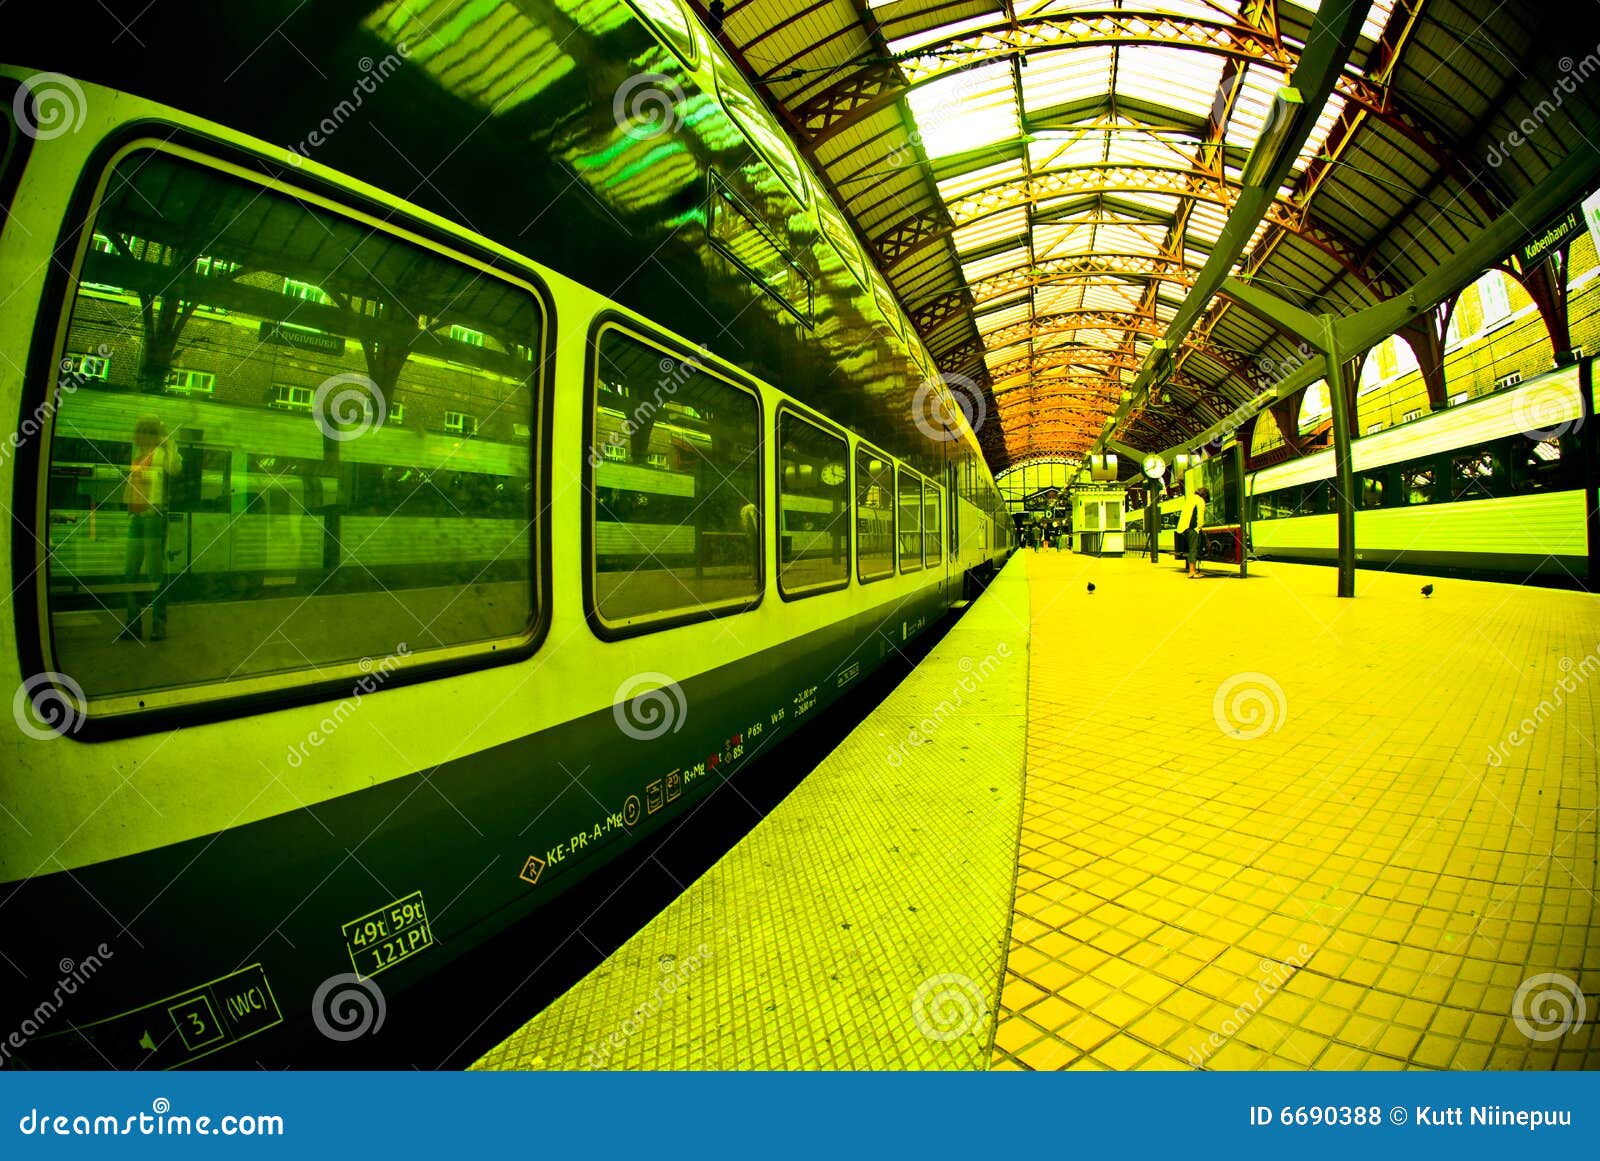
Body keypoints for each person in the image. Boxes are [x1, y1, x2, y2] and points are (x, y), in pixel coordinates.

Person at [118, 415, 181, 642]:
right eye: (142, 430)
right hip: (137, 516)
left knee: (154, 574)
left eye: (149, 431)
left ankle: (159, 624)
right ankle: (133, 623)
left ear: (156, 435)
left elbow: (175, 469)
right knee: (130, 573)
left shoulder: (161, 454)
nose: (144, 435)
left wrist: (169, 441)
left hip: (153, 518)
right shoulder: (138, 455)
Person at [1178, 486, 1210, 578]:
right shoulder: (1200, 501)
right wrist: (1199, 527)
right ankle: (1192, 572)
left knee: (1192, 549)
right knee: (1194, 549)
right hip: (1193, 528)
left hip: (1185, 528)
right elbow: (1200, 517)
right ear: (1205, 495)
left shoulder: (1190, 498)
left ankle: (1193, 570)